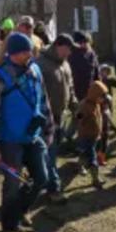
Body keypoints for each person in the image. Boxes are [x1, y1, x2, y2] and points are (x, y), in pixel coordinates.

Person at [0, 33, 54, 232]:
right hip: (9, 140)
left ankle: (21, 210)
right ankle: (9, 226)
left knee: (42, 177)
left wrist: (49, 129)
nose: (29, 54)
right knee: (12, 184)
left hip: (33, 135)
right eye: (25, 51)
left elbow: (43, 100)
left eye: (30, 50)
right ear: (13, 53)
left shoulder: (35, 69)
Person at [36, 33, 77, 204]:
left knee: (50, 153)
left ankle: (41, 179)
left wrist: (73, 102)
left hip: (60, 115)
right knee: (50, 153)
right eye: (67, 49)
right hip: (45, 117)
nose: (69, 53)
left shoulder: (65, 64)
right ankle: (54, 188)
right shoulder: (41, 64)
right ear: (58, 46)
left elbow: (70, 85)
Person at [75, 80, 110, 189]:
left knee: (85, 153)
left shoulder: (96, 104)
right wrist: (81, 120)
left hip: (94, 136)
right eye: (102, 97)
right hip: (86, 136)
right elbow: (78, 117)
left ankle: (80, 164)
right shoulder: (85, 106)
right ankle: (95, 179)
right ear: (95, 95)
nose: (103, 100)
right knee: (92, 158)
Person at [69, 31, 100, 101]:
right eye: (81, 42)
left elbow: (96, 71)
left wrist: (98, 86)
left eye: (86, 42)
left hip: (90, 88)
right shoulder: (71, 54)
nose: (84, 44)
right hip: (76, 89)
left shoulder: (91, 54)